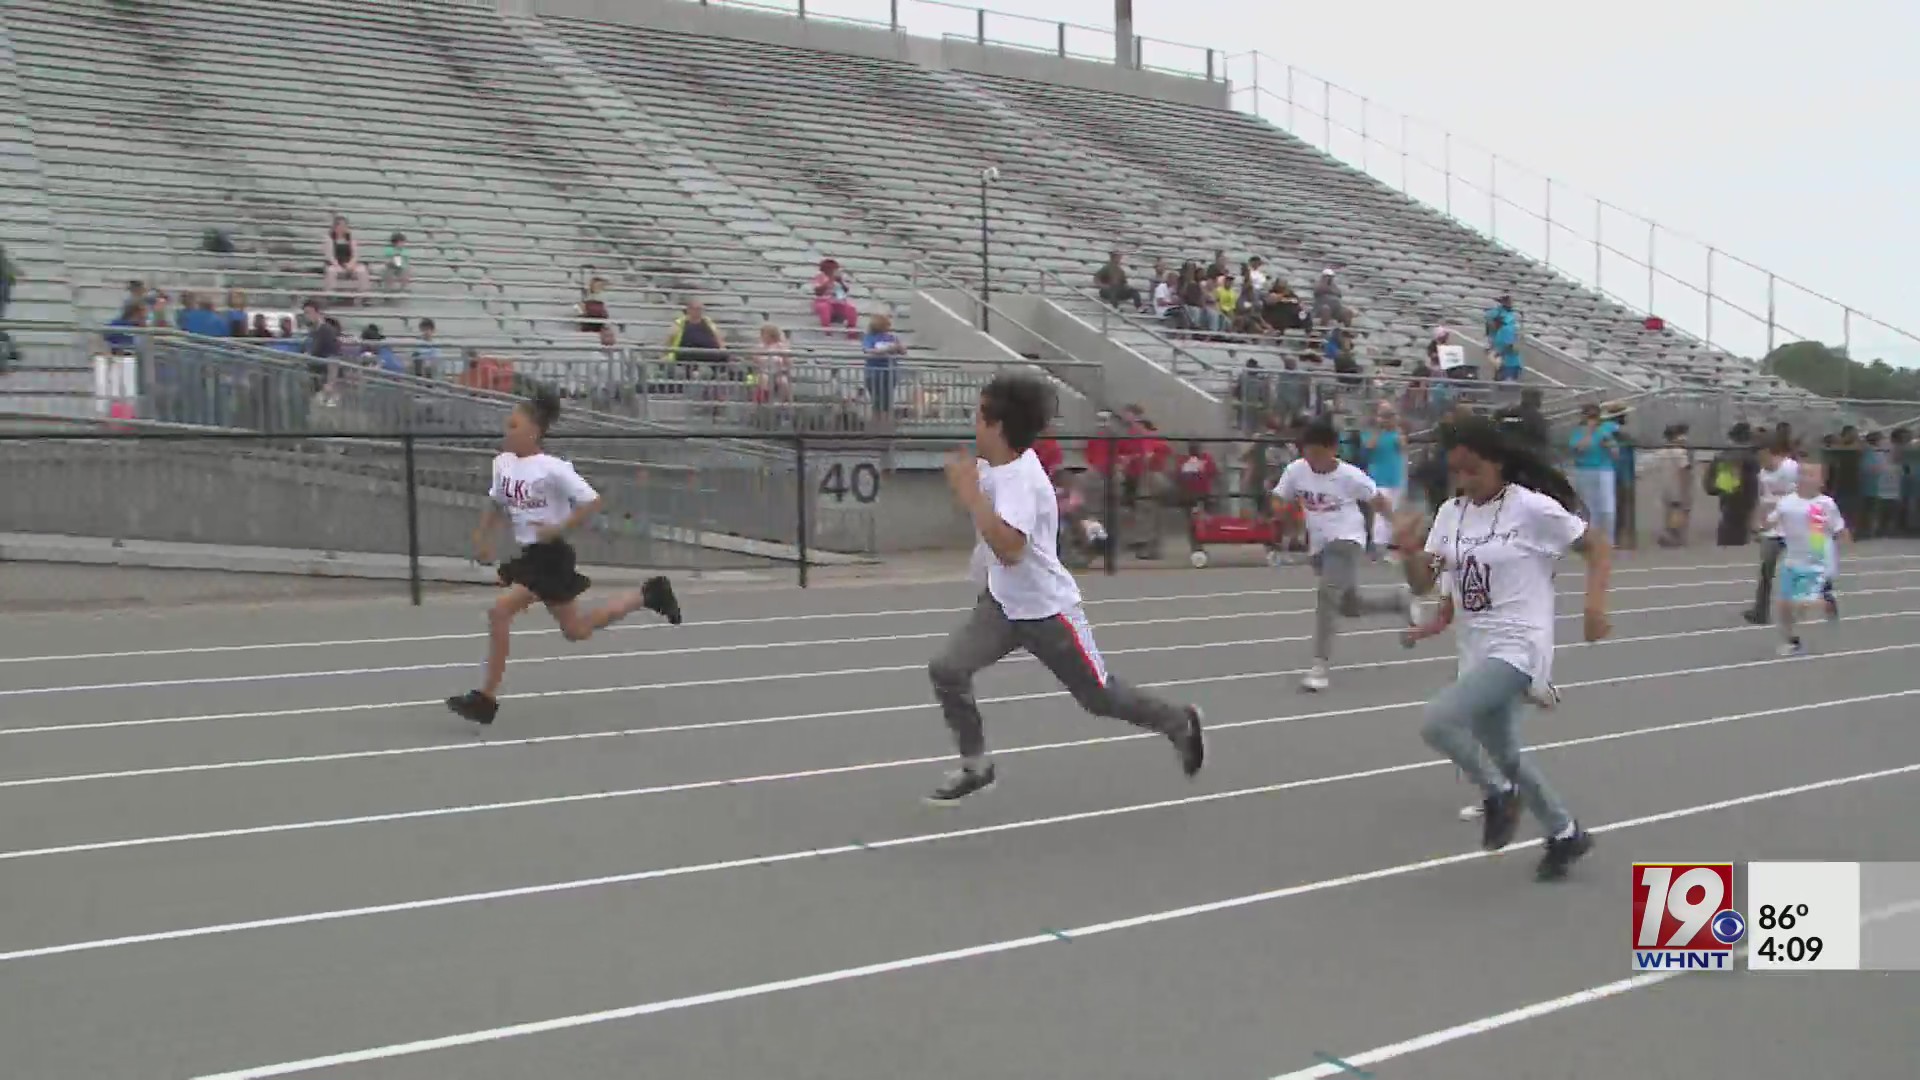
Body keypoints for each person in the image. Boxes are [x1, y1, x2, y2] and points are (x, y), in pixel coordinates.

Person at [925, 375, 1205, 802]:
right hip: (1002, 604)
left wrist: (972, 499)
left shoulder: (1022, 479)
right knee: (947, 669)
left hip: (1047, 612)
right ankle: (976, 766)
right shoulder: (994, 466)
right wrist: (966, 484)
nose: (973, 424)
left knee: (1098, 697)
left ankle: (1178, 721)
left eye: (978, 416)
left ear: (997, 426)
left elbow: (1011, 550)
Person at [1394, 415, 1610, 881]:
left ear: (1497, 464)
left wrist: (1594, 606)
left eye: (1473, 469)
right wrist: (1408, 550)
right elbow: (1423, 580)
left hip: (1520, 644)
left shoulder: (1529, 508)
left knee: (1438, 721)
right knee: (1506, 752)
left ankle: (1498, 794)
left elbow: (1596, 547)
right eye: (1456, 471)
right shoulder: (1450, 513)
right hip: (1476, 645)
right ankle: (1565, 832)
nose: (1465, 480)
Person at [445, 392, 683, 725]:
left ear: (534, 432)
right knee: (576, 630)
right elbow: (497, 503)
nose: (507, 431)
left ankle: (486, 698)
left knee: (499, 612)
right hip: (531, 555)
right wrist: (482, 536)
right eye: (507, 425)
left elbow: (592, 502)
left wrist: (558, 527)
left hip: (551, 557)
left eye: (514, 425)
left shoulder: (553, 469)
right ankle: (648, 595)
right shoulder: (503, 463)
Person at [1275, 420, 1419, 692]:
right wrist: (1281, 514)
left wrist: (1397, 525)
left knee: (1327, 595)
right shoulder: (1295, 471)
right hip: (1318, 544)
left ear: (1333, 450)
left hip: (1346, 539)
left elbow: (1377, 500)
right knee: (1348, 605)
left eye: (1319, 453)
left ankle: (1319, 665)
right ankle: (1397, 601)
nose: (1313, 460)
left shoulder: (1350, 476)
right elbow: (1279, 496)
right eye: (1308, 453)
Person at [1766, 463, 1847, 657]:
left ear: (1821, 481)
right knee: (1784, 604)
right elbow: (1771, 521)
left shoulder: (1825, 504)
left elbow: (1838, 530)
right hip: (1793, 558)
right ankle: (1792, 641)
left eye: (1811, 475)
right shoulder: (1786, 502)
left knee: (1801, 604)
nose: (1805, 478)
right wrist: (1763, 523)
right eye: (1802, 473)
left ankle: (1826, 600)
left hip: (1816, 561)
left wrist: (1835, 551)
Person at [1743, 431, 1799, 624]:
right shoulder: (1763, 475)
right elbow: (1763, 500)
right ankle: (1760, 611)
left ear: (1769, 452)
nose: (1759, 459)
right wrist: (1756, 523)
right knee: (1766, 569)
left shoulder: (1791, 468)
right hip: (1773, 528)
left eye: (1761, 454)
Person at [1566, 404, 1621, 543]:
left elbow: (1616, 454)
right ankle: (1590, 539)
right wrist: (1589, 433)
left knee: (1607, 507)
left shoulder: (1606, 430)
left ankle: (1608, 540)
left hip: (1604, 470)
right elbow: (1579, 449)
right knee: (1588, 506)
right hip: (1584, 470)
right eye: (1589, 417)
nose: (1592, 420)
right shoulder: (1578, 432)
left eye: (1595, 417)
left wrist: (1609, 444)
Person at [1363, 405, 1407, 555]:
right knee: (1381, 510)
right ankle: (1379, 543)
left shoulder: (1396, 434)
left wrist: (1397, 428)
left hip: (1395, 477)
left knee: (1391, 510)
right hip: (1379, 478)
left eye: (1391, 416)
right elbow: (1369, 447)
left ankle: (1389, 543)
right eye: (1384, 416)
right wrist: (1379, 430)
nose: (1388, 420)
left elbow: (1402, 447)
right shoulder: (1371, 433)